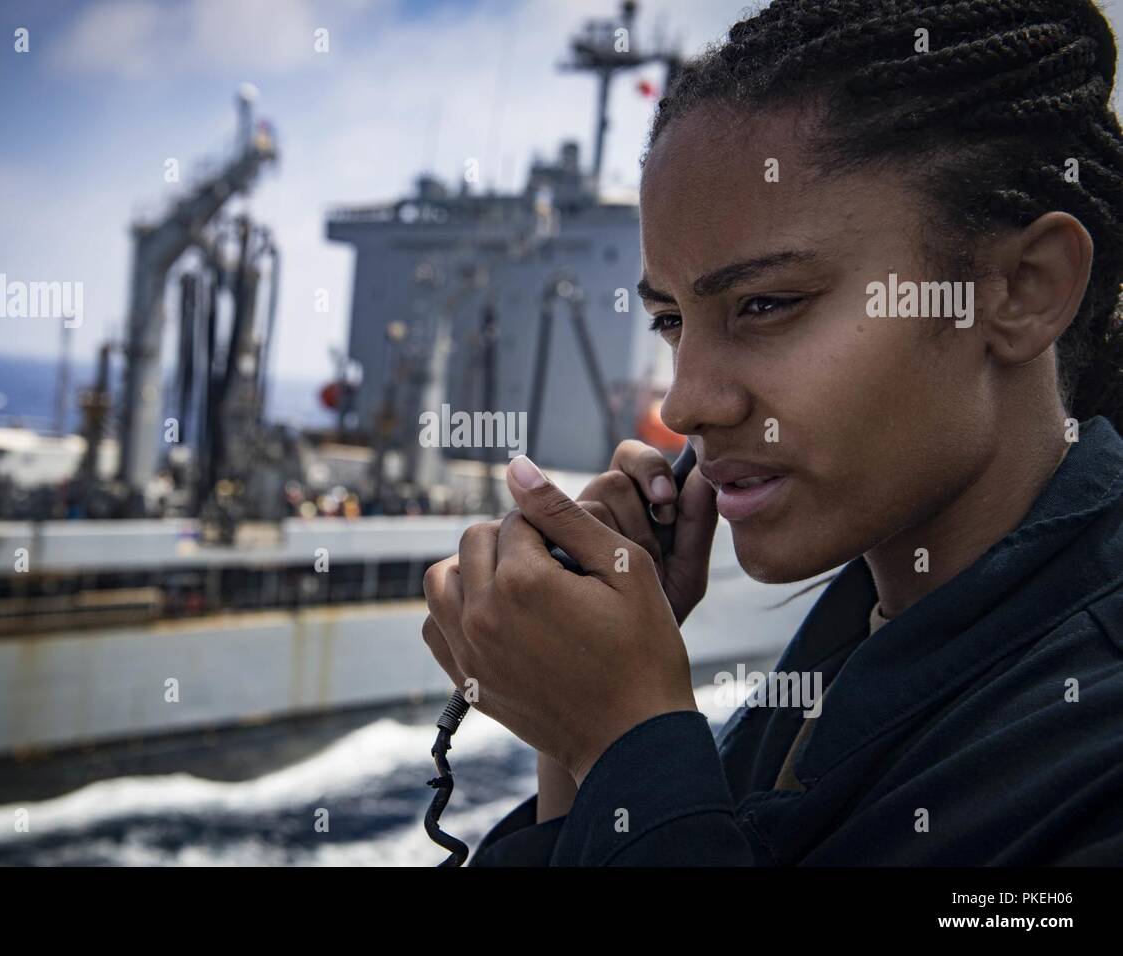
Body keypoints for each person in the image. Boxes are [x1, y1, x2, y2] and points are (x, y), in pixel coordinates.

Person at [420, 0, 1123, 865]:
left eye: (767, 304)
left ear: (1023, 288)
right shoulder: (867, 639)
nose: (685, 406)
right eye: (672, 321)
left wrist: (627, 739)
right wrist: (583, 749)